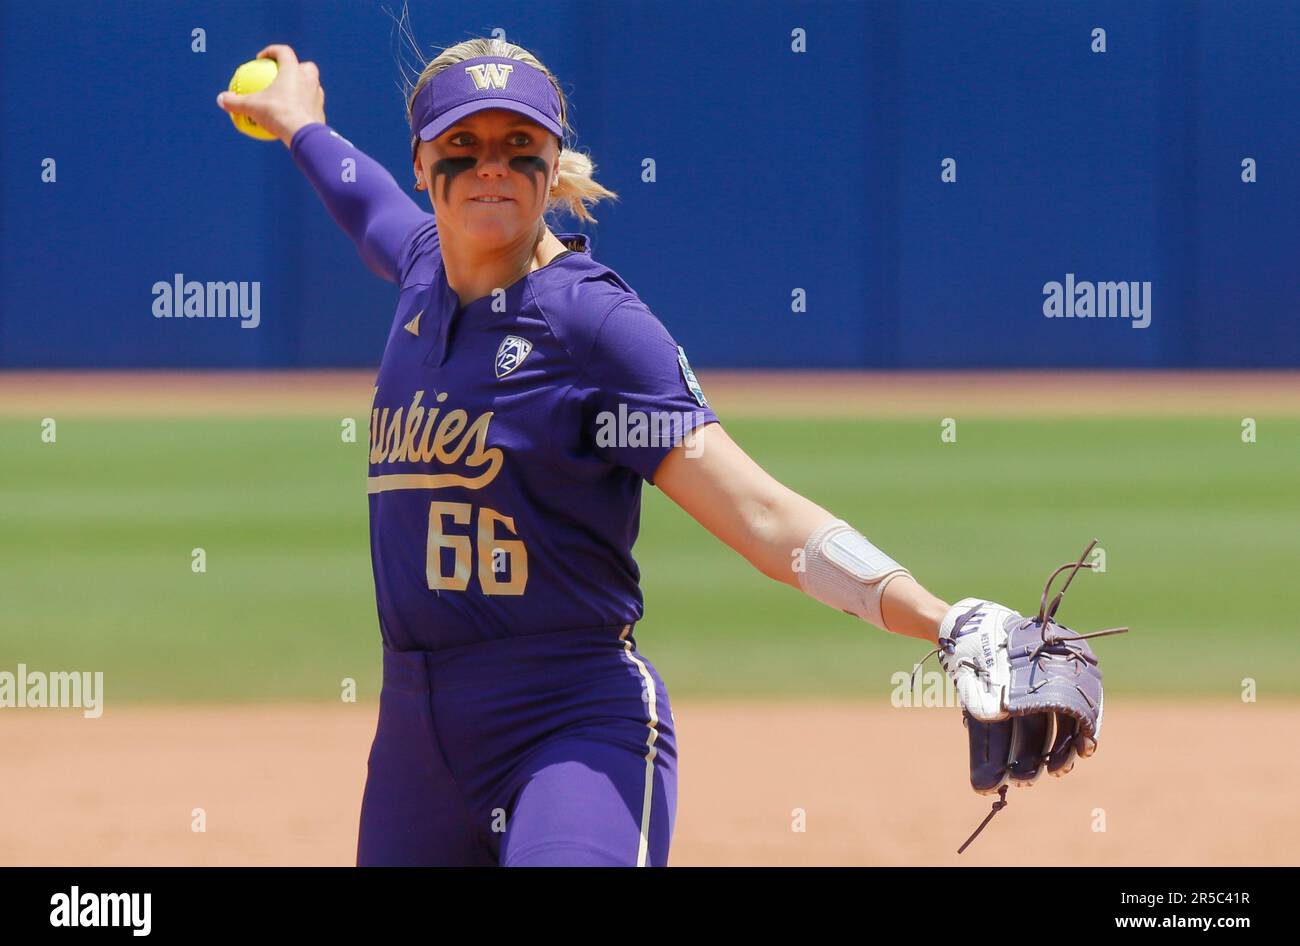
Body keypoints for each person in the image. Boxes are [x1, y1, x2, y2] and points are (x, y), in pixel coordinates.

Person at [216, 36, 1011, 867]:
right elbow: (363, 201)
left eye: (520, 146)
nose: (492, 166)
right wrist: (302, 121)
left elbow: (759, 510)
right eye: (463, 145)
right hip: (414, 739)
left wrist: (940, 617)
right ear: (423, 163)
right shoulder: (422, 268)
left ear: (552, 165)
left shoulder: (592, 325)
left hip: (571, 724)